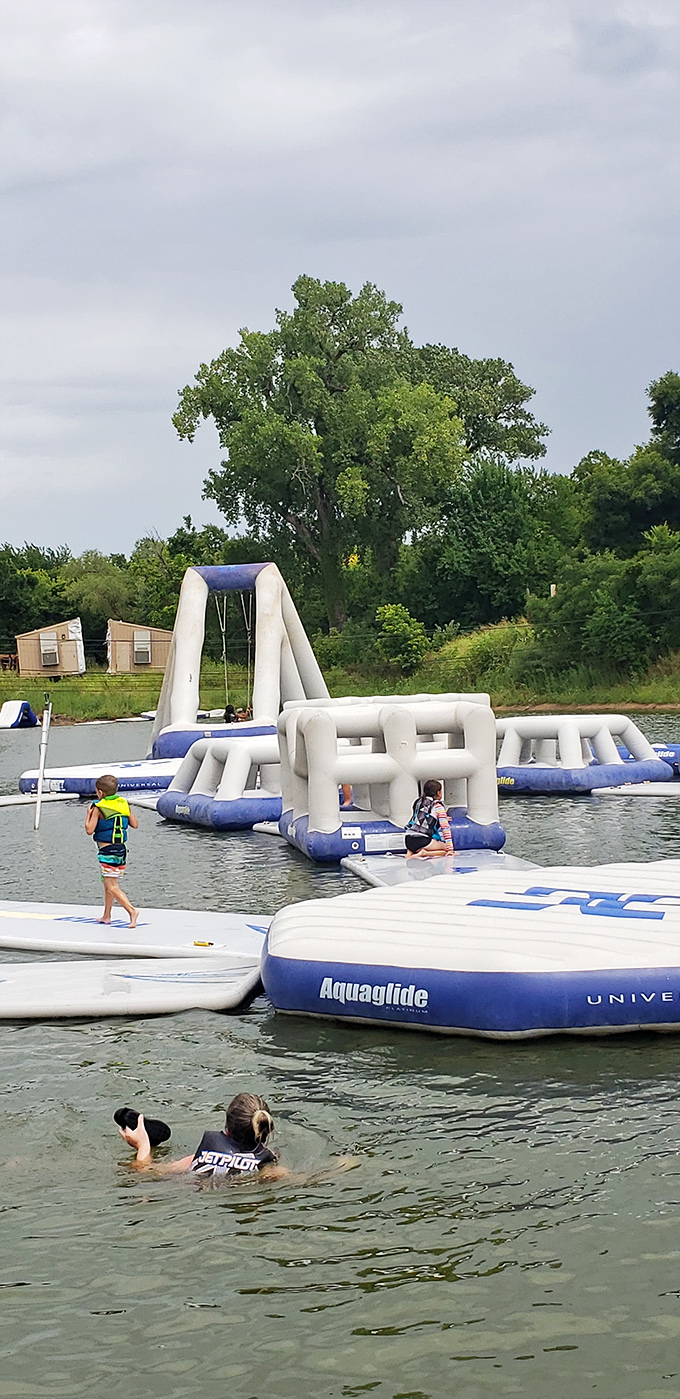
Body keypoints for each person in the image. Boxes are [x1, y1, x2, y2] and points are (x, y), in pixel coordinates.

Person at [118, 1092, 289, 1181]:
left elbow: (143, 1171)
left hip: (187, 1191)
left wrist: (143, 1145)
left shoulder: (202, 1155)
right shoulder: (268, 1169)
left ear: (227, 1129)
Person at [85, 774, 139, 927]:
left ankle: (131, 911)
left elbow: (89, 830)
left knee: (112, 886)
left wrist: (88, 815)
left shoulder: (98, 807)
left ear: (100, 793)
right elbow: (134, 824)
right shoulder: (123, 804)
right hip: (121, 850)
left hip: (107, 851)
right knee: (107, 882)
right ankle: (106, 915)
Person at [404, 778, 454, 858]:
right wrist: (450, 848)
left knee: (417, 841)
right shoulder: (437, 806)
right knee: (445, 850)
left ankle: (410, 852)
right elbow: (445, 828)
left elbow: (420, 818)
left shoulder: (418, 802)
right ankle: (424, 853)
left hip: (408, 840)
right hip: (422, 840)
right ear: (438, 792)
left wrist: (442, 818)